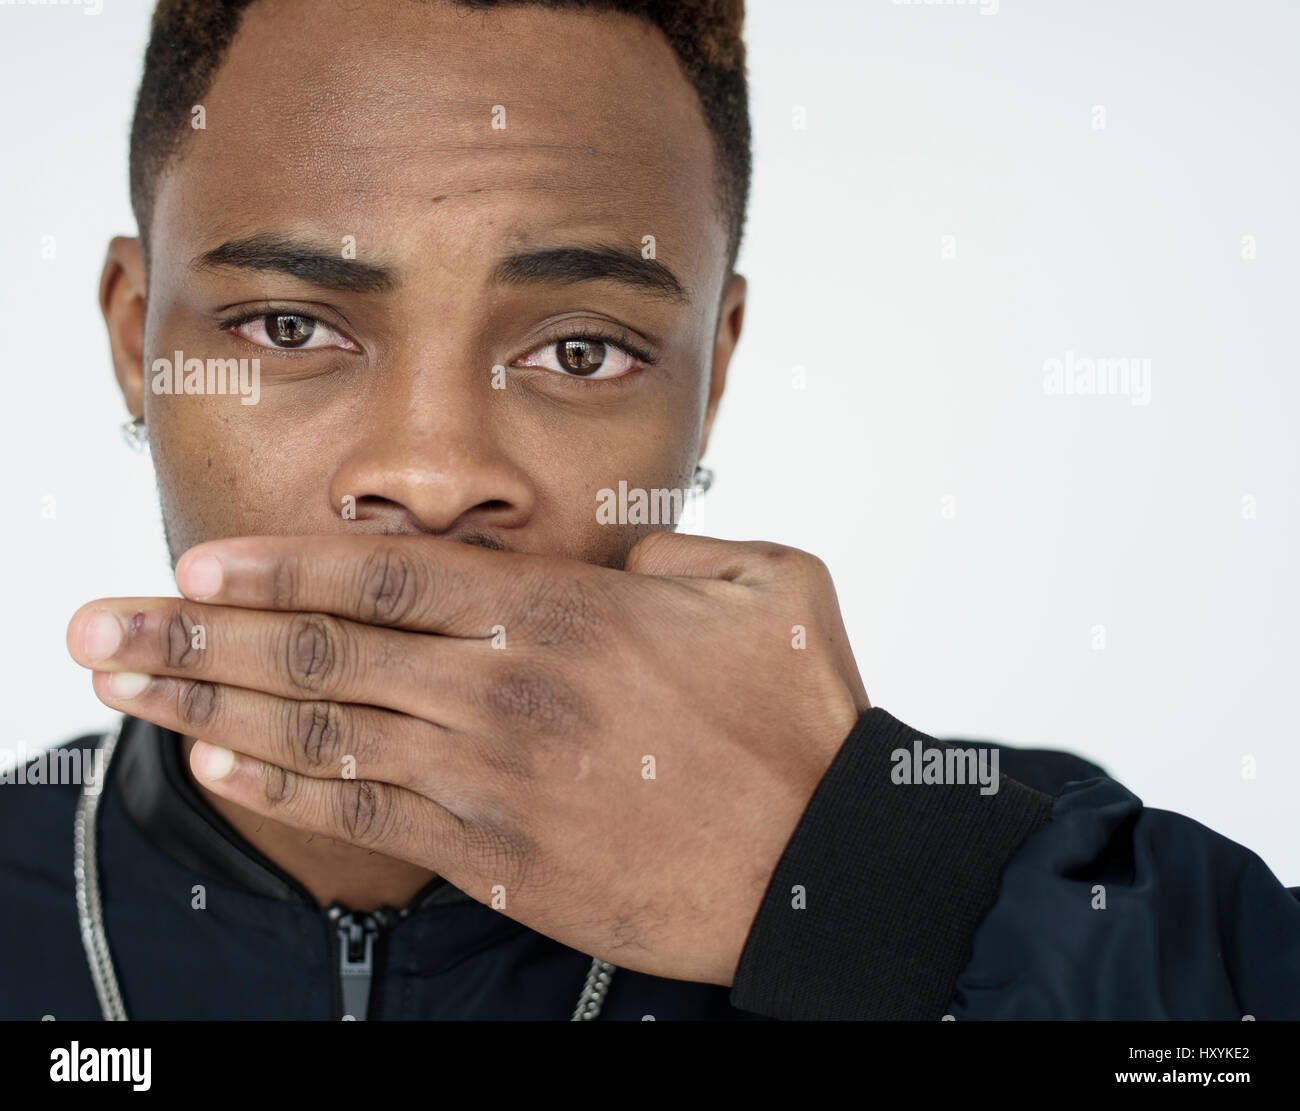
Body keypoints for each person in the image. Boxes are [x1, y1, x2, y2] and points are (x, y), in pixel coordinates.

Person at [3, 0, 1296, 1022]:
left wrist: (873, 888)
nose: (437, 470)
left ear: (715, 368)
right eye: (292, 326)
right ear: (136, 337)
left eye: (581, 350)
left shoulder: (1009, 869)